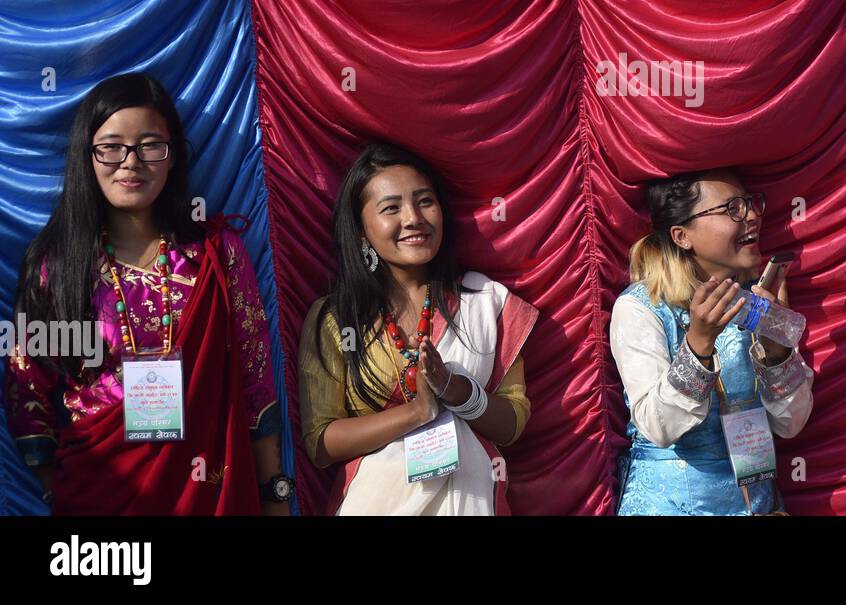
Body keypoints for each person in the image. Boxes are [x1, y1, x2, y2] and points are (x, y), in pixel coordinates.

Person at [3, 73, 288, 514]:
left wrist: (274, 494)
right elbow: (27, 391)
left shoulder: (215, 256)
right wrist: (60, 488)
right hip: (98, 492)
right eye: (111, 147)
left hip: (208, 489)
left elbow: (255, 381)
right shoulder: (56, 267)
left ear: (172, 156)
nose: (130, 162)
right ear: (88, 157)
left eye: (150, 146)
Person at [298, 142, 537, 515]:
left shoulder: (485, 302)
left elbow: (512, 424)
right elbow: (321, 441)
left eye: (424, 201)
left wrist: (458, 392)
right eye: (391, 208)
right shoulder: (336, 318)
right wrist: (416, 413)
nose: (413, 218)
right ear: (361, 231)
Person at [610, 168, 813, 515]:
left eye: (750, 203)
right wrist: (698, 345)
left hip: (758, 504)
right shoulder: (640, 307)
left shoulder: (756, 303)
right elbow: (659, 428)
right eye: (732, 208)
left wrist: (777, 350)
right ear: (682, 235)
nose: (751, 216)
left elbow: (791, 423)